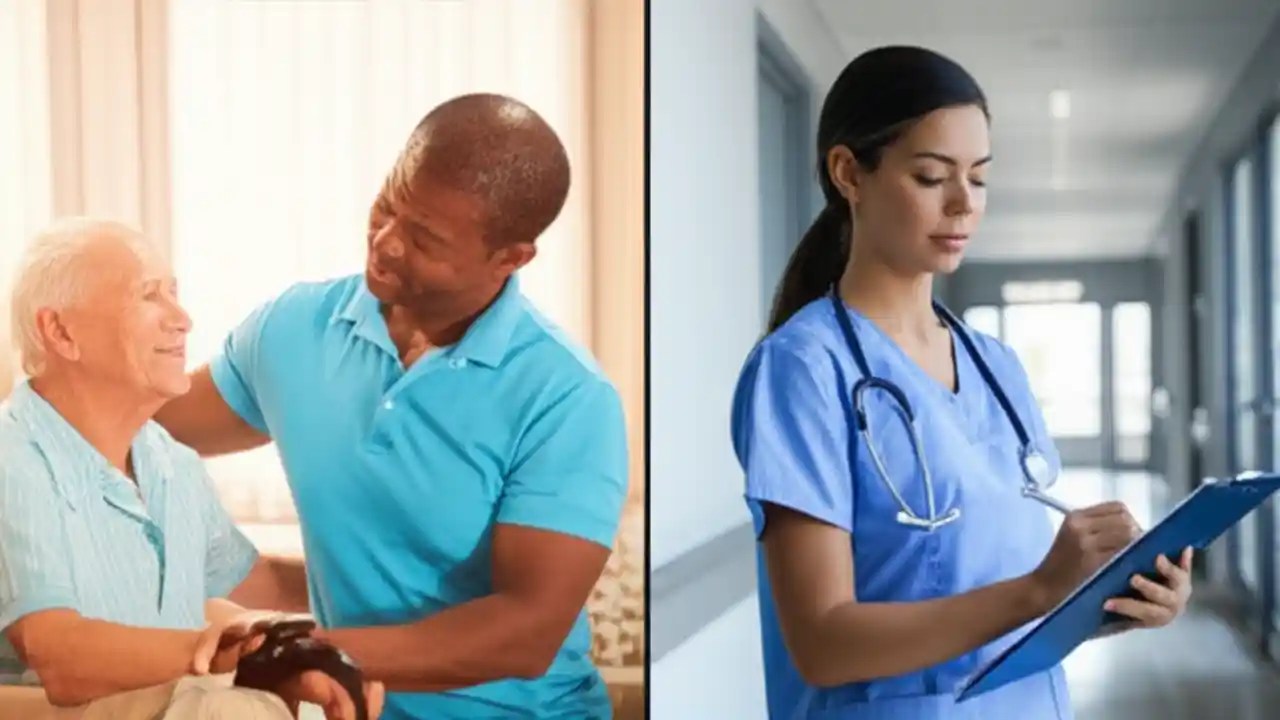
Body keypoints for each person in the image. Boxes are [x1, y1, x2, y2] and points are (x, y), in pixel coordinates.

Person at [730, 46, 1193, 719]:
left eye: (978, 179)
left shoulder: (994, 366)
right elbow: (824, 643)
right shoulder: (803, 368)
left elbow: (1008, 605)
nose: (962, 205)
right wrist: (1038, 589)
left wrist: (1122, 599)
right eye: (930, 176)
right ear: (847, 173)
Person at [153, 92, 629, 719]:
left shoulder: (566, 400)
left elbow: (526, 630)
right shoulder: (294, 329)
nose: (387, 242)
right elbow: (147, 425)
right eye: (387, 205)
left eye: (425, 239)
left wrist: (305, 650)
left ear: (511, 258)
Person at [0, 218, 383, 719]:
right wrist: (219, 653)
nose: (182, 319)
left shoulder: (171, 463)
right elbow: (59, 657)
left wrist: (296, 655)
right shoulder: (13, 456)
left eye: (174, 293)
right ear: (60, 331)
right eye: (148, 295)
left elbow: (243, 596)